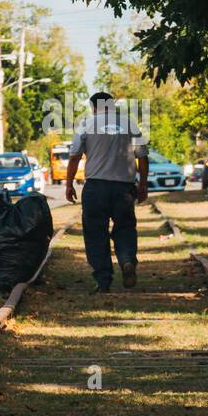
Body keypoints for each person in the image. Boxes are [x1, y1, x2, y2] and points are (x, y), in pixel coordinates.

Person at [65, 92, 149, 293]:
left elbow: (75, 157)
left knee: (95, 233)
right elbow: (143, 157)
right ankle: (127, 260)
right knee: (126, 227)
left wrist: (69, 184)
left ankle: (103, 280)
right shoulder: (129, 123)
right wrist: (143, 185)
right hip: (124, 188)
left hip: (95, 188)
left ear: (93, 107)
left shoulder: (86, 124)